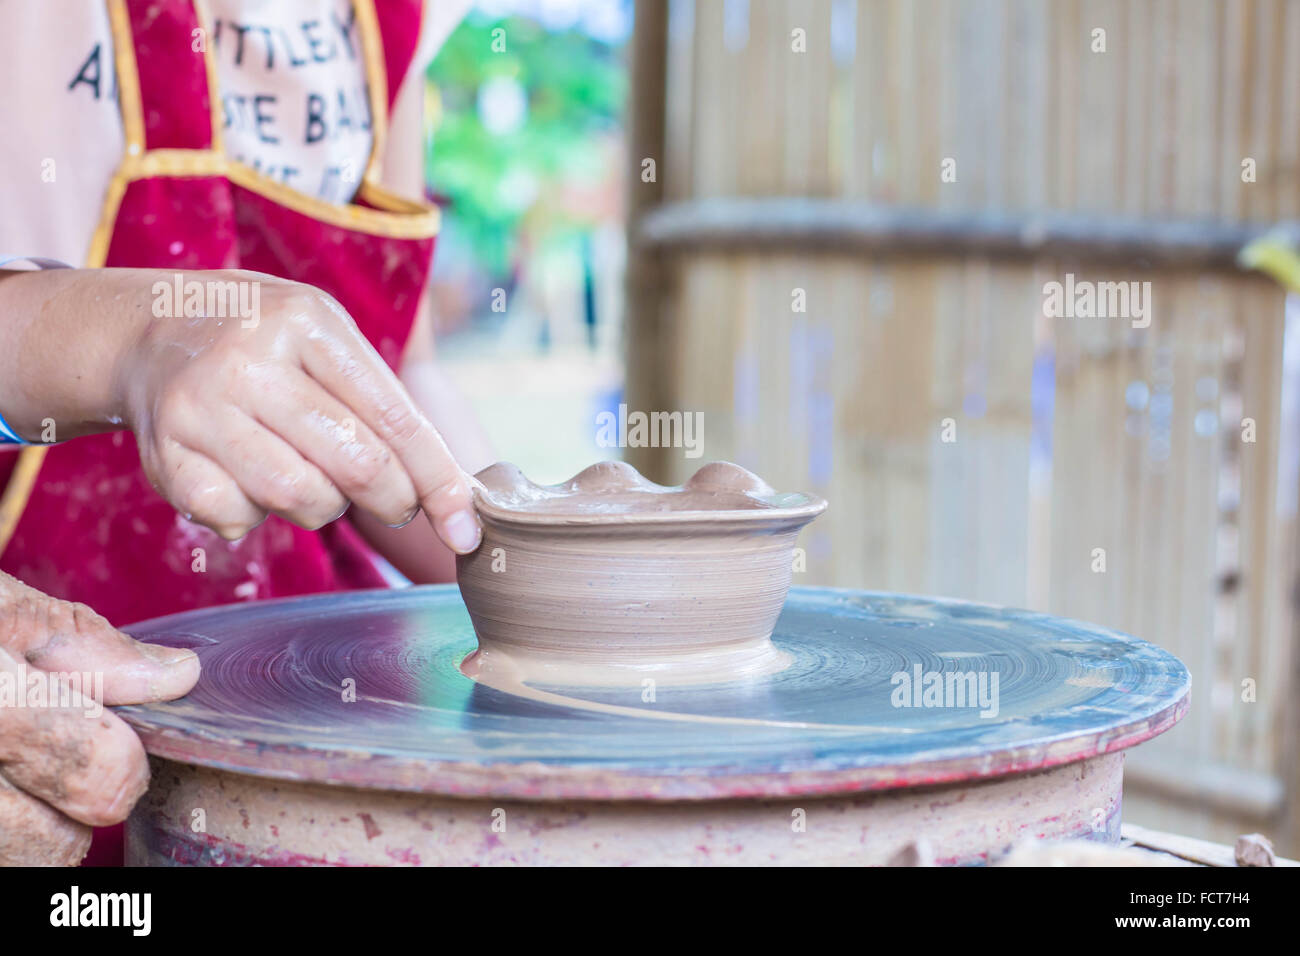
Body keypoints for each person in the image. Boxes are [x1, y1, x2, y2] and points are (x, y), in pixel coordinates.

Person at [0, 0, 488, 864]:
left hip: (304, 666)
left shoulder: (388, 23)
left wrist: (534, 553)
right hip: (50, 653)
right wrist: (134, 336)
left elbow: (397, 377)